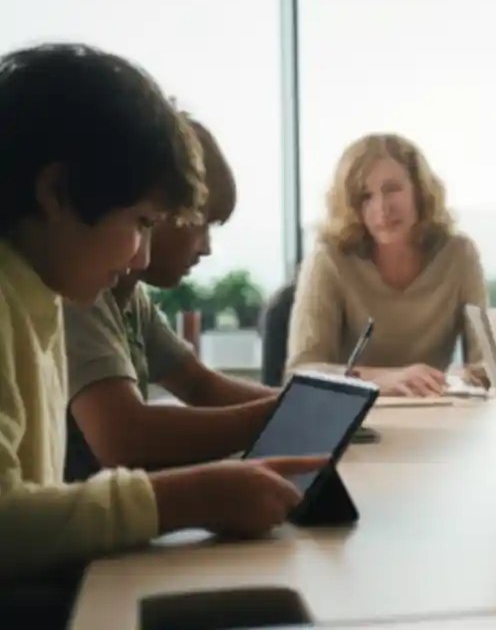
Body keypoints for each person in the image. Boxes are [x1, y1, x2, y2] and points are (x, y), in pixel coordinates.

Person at [0, 43, 324, 591]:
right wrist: (188, 498)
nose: (141, 260)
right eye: (142, 221)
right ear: (57, 192)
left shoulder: (44, 292)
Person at [63, 115, 278, 481]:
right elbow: (124, 438)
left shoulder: (130, 296)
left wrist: (302, 404)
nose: (207, 248)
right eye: (200, 223)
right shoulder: (82, 291)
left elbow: (199, 385)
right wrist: (284, 416)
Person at [287, 133, 488, 395]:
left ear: (419, 190)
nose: (382, 209)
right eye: (365, 197)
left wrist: (468, 375)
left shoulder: (459, 254)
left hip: (437, 413)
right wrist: (383, 380)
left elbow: (488, 361)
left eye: (392, 189)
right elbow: (302, 371)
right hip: (359, 423)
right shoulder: (329, 259)